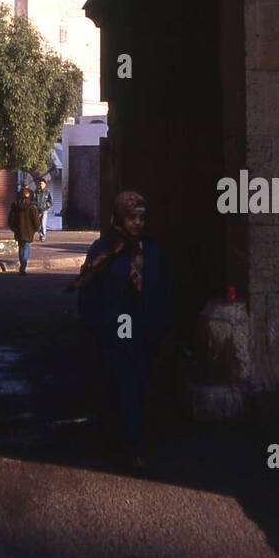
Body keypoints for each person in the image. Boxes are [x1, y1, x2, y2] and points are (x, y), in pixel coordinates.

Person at [67, 190, 172, 471]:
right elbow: (89, 292)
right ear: (118, 218)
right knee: (119, 385)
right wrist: (93, 326)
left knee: (138, 386)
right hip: (112, 333)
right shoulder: (103, 250)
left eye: (141, 218)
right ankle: (129, 447)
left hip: (143, 332)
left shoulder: (152, 252)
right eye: (131, 217)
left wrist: (160, 326)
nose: (137, 223)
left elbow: (163, 291)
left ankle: (127, 440)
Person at [8, 184, 40, 275]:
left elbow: (10, 220)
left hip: (18, 231)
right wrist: (36, 229)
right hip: (29, 232)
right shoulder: (32, 207)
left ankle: (22, 263)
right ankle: (23, 265)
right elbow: (36, 220)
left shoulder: (15, 207)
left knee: (21, 247)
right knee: (26, 247)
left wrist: (14, 229)